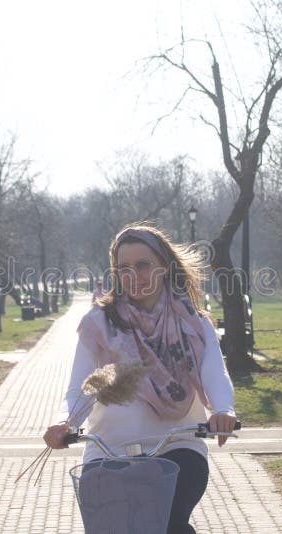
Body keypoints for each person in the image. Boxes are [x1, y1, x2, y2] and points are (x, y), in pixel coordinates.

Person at [44, 224, 236, 534]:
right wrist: (64, 422)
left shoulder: (194, 322)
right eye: (124, 268)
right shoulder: (99, 323)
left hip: (178, 449)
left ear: (164, 266)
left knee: (165, 523)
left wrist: (223, 409)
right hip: (109, 450)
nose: (134, 275)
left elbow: (214, 370)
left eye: (143, 265)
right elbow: (78, 389)